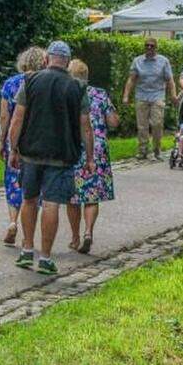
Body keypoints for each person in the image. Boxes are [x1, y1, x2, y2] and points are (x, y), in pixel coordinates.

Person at [8, 41, 93, 276]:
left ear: (47, 59)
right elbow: (86, 126)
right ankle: (45, 256)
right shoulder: (77, 86)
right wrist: (90, 157)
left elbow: (17, 119)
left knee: (29, 199)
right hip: (62, 153)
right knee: (52, 203)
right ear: (67, 62)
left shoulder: (30, 81)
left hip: (31, 152)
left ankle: (27, 250)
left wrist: (12, 149)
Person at [66, 59, 118, 255]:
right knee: (92, 195)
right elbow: (113, 122)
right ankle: (88, 232)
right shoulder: (100, 94)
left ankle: (74, 237)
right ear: (87, 76)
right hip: (97, 150)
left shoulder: (68, 94)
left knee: (72, 197)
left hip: (74, 148)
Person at [0, 46, 45, 247]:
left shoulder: (11, 83)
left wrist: (2, 140)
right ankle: (29, 232)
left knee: (12, 181)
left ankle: (12, 221)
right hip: (37, 138)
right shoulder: (44, 83)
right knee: (34, 185)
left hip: (14, 139)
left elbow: (4, 116)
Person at [122, 37, 175, 161]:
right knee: (142, 126)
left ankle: (157, 149)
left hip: (157, 95)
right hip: (141, 95)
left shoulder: (163, 61)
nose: (149, 48)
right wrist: (126, 95)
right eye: (147, 46)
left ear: (156, 47)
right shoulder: (137, 61)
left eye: (151, 46)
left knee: (157, 123)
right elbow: (131, 79)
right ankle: (143, 150)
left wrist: (173, 95)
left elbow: (170, 80)